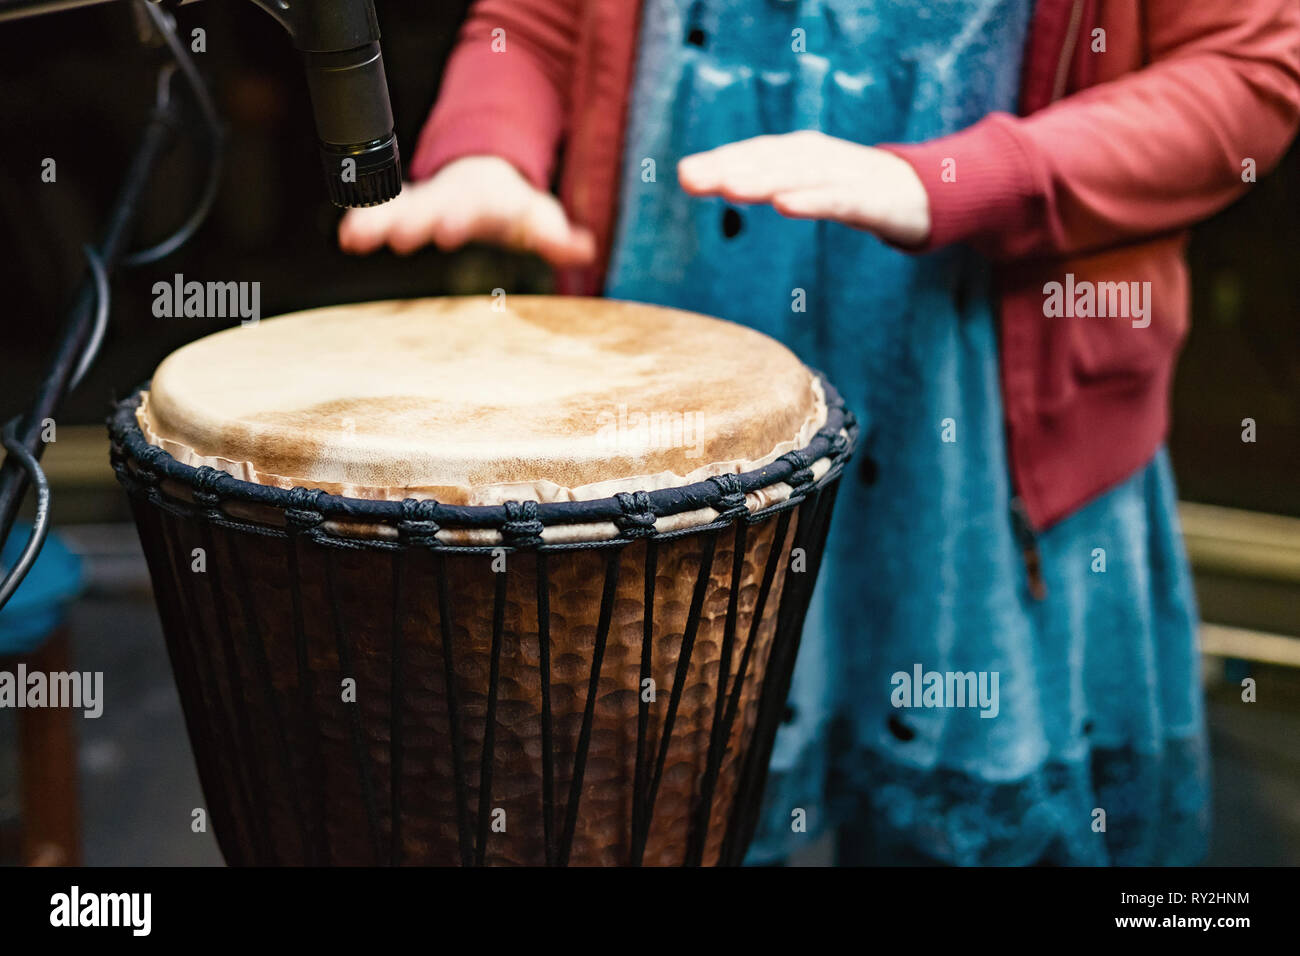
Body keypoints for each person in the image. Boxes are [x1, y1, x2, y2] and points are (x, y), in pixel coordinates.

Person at [339, 0, 1300, 865]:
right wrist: (489, 144)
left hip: (983, 436)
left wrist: (957, 180)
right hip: (674, 416)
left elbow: (1246, 70)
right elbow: (535, 22)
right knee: (657, 805)